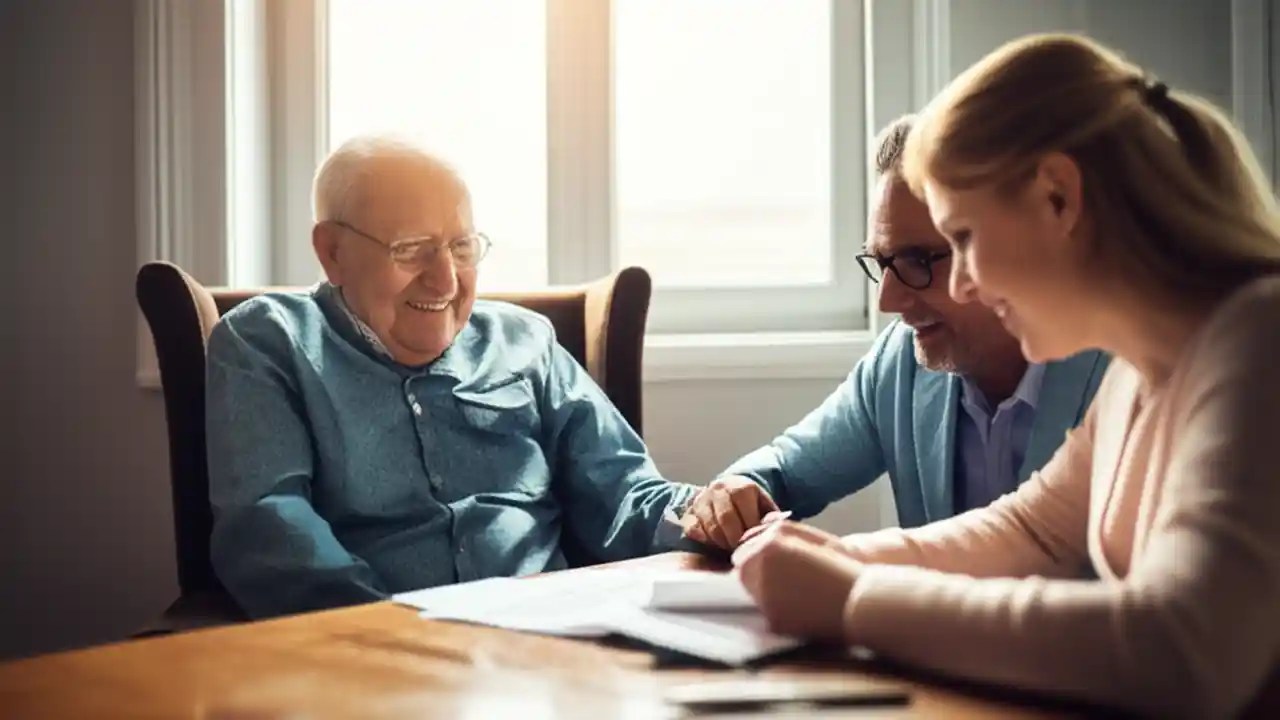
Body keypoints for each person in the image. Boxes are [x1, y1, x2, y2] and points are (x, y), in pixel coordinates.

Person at [732, 33, 1280, 718]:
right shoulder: (1145, 370)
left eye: (962, 237)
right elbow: (1033, 533)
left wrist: (850, 599)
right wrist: (841, 559)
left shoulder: (1260, 339)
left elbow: (1181, 652)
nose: (964, 281)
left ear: (1058, 197)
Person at [206, 136, 701, 619]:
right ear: (332, 251)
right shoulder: (267, 341)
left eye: (461, 247)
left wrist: (708, 512)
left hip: (547, 644)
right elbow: (268, 524)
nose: (445, 280)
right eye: (412, 249)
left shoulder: (525, 341)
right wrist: (385, 630)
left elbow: (623, 491)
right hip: (369, 662)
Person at [682, 116, 1108, 550]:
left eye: (918, 260)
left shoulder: (1124, 372)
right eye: (881, 263)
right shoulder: (902, 361)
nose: (888, 301)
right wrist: (736, 490)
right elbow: (786, 471)